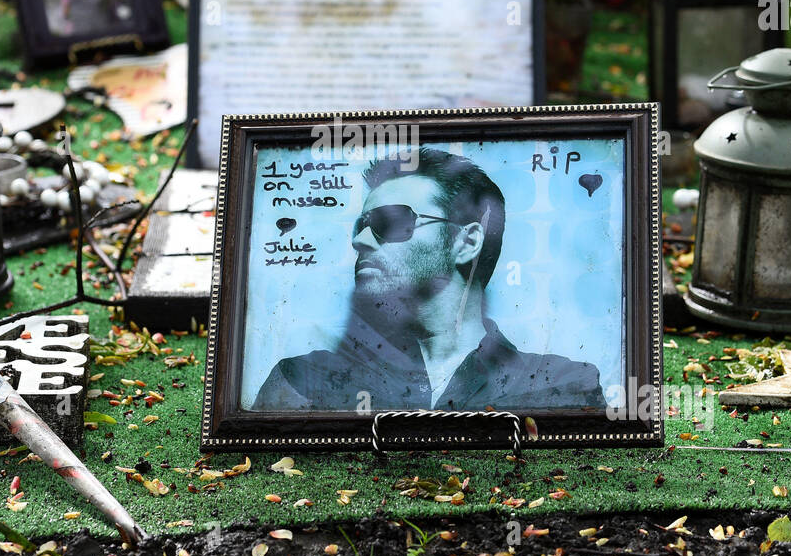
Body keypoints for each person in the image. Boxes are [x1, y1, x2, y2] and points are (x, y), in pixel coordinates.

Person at [252, 148, 606, 412]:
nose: (361, 241)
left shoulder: (562, 386)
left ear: (466, 242)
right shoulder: (304, 380)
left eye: (390, 222)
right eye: (361, 226)